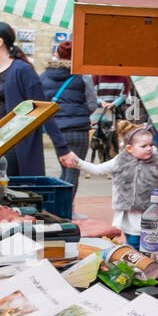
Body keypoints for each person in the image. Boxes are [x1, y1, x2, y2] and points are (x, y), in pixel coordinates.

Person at [0, 21, 76, 179]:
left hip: (13, 144)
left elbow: (43, 110)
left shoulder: (22, 70)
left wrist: (62, 148)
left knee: (9, 188)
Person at [65, 124, 158, 248]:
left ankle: (142, 262)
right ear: (130, 148)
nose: (149, 149)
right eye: (144, 146)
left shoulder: (156, 161)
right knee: (133, 242)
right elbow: (97, 169)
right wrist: (78, 162)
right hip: (129, 215)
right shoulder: (120, 161)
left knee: (151, 243)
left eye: (151, 145)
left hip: (150, 212)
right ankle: (136, 261)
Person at [40, 40, 100, 202]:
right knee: (73, 170)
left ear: (57, 54)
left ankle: (59, 204)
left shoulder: (44, 76)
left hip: (55, 130)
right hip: (78, 129)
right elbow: (93, 103)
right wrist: (81, 113)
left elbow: (42, 104)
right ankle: (64, 208)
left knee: (65, 169)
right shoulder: (82, 76)